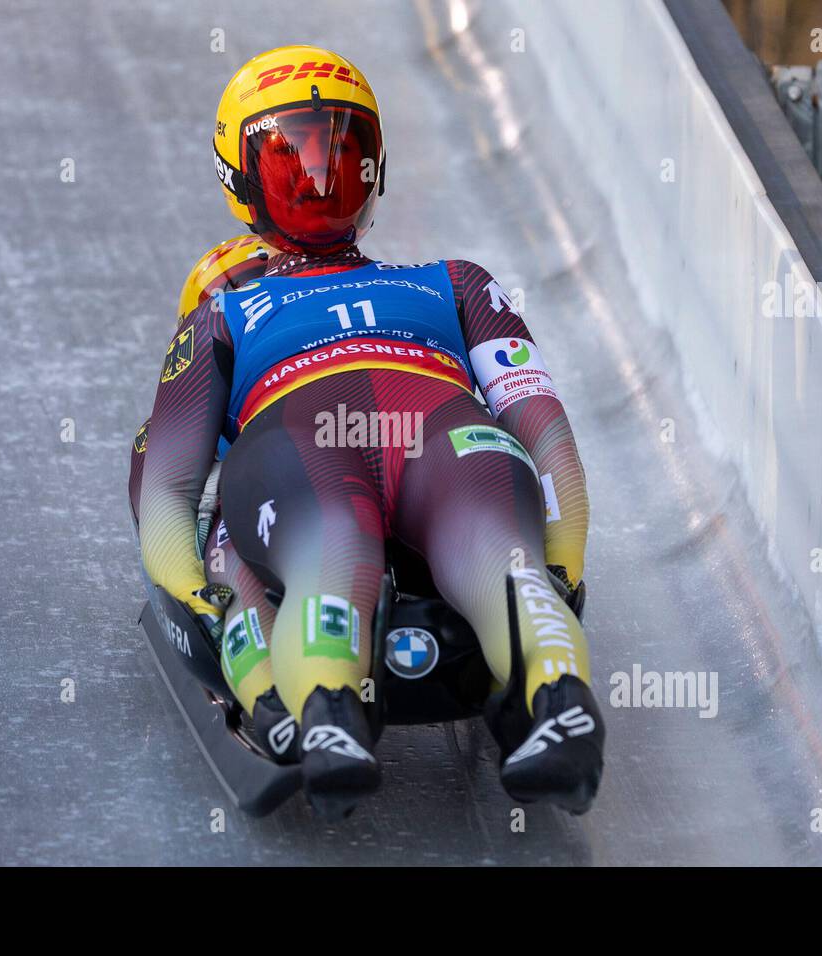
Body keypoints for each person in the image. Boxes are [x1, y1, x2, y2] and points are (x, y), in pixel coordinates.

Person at [130, 45, 605, 817]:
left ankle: (328, 713)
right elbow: (544, 428)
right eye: (295, 164)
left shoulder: (227, 315)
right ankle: (559, 694)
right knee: (504, 558)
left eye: (340, 158)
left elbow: (164, 492)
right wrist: (561, 563)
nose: (319, 183)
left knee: (330, 553)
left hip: (301, 434)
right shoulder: (453, 282)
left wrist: (197, 602)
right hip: (439, 424)